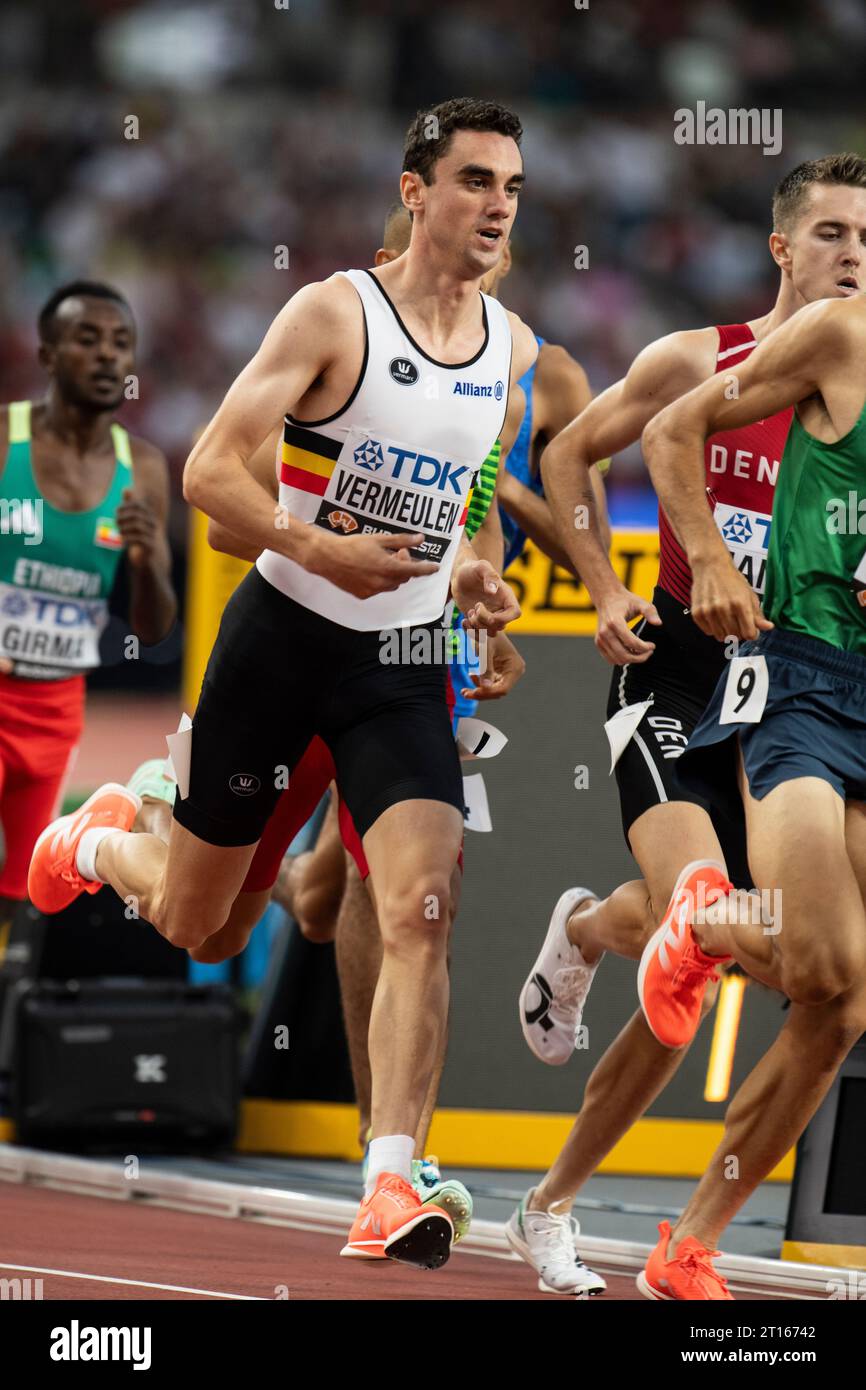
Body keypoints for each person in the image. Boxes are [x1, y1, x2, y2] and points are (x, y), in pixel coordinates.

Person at [30, 97, 535, 1273]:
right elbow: (209, 470)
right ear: (414, 192)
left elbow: (470, 498)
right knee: (200, 924)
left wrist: (479, 582)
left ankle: (389, 1175)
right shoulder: (331, 311)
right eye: (472, 181)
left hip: (402, 662)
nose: (496, 205)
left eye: (510, 186)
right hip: (284, 634)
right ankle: (106, 837)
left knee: (421, 905)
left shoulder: (509, 346)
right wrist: (323, 548)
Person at [508, 153, 866, 1297]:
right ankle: (553, 1204)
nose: (851, 256)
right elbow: (566, 452)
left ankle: (585, 935)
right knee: (700, 921)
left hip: (787, 678)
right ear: (780, 248)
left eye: (865, 240)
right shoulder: (695, 363)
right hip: (676, 674)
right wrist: (609, 588)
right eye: (829, 235)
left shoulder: (851, 387)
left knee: (776, 961)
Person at [633, 280, 866, 1300]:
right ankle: (705, 924)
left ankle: (687, 1244)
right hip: (806, 679)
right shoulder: (840, 333)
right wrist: (708, 561)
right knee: (821, 956)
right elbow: (670, 424)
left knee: (840, 1003)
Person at [0, 281, 176, 937]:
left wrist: (150, 559)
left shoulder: (145, 469)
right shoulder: (4, 440)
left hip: (56, 708)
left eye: (121, 343)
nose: (108, 356)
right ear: (47, 354)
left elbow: (156, 628)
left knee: (25, 891)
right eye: (87, 339)